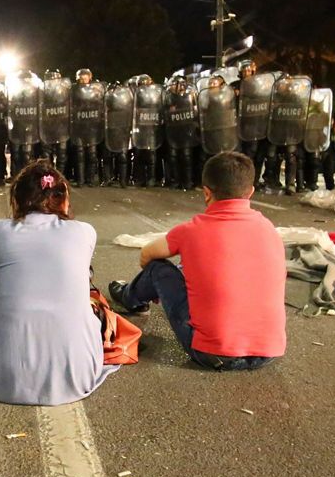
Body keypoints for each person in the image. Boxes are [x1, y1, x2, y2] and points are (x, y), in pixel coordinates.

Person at [108, 151, 285, 371]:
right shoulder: (269, 229)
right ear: (250, 192)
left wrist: (164, 286)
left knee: (158, 269)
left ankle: (130, 298)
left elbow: (147, 254)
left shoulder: (191, 231)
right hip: (268, 352)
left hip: (213, 354)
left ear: (207, 192)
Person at [0, 161, 116, 405]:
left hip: (0, 379)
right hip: (75, 377)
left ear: (17, 199)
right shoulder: (84, 231)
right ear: (63, 199)